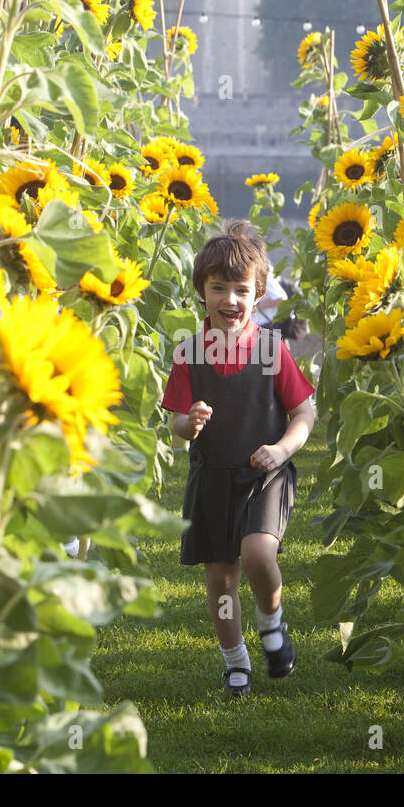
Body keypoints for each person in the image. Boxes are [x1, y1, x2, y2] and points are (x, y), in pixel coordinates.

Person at [160, 220, 317, 696]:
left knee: (256, 552)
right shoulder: (189, 354)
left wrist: (283, 449)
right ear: (202, 292)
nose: (230, 299)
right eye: (219, 288)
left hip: (264, 472)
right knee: (221, 580)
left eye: (241, 290)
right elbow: (176, 426)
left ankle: (272, 625)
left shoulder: (272, 349)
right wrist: (192, 421)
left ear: (259, 293)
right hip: (212, 478)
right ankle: (235, 662)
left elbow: (303, 411)